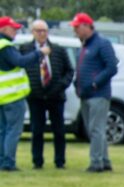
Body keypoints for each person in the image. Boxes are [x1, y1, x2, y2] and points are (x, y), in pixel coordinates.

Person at [23, 20, 71, 170]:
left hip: (56, 96)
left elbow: (69, 71)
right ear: (33, 32)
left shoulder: (58, 50)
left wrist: (61, 86)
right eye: (38, 31)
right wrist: (31, 88)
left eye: (44, 30)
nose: (42, 33)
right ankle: (37, 161)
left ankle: (60, 161)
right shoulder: (25, 49)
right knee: (37, 130)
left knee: (59, 130)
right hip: (36, 97)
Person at [70, 13, 115, 172]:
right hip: (85, 94)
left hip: (98, 94)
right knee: (93, 129)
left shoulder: (102, 44)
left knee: (96, 129)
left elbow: (111, 67)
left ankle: (96, 162)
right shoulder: (84, 46)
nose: (74, 30)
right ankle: (104, 160)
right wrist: (77, 84)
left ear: (86, 26)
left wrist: (96, 83)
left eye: (77, 27)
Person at [0, 16, 42, 173]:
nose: (16, 31)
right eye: (13, 28)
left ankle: (2, 160)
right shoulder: (5, 46)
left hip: (2, 96)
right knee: (13, 131)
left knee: (3, 130)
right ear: (3, 29)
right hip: (12, 95)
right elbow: (20, 61)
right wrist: (39, 54)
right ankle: (8, 163)